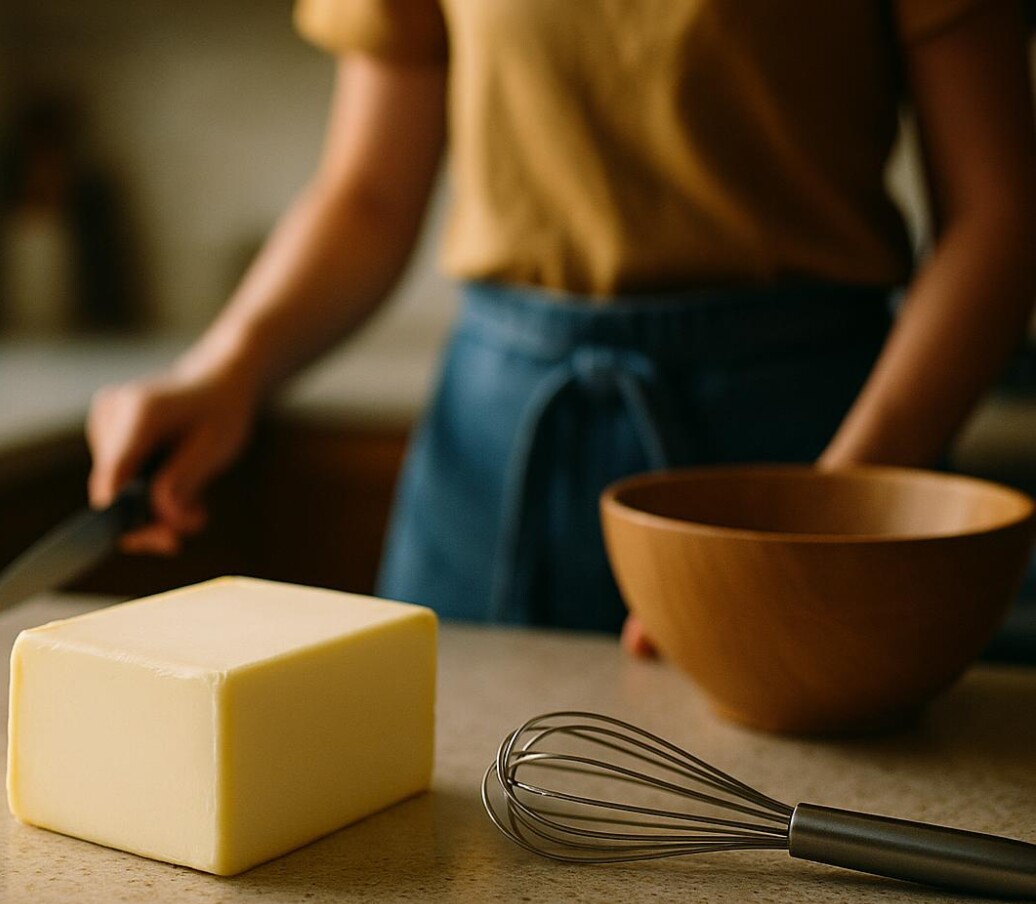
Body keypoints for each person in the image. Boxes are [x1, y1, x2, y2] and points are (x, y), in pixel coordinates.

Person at [84, 0, 1036, 655]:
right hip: (492, 457)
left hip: (803, 455)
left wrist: (848, 507)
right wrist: (227, 367)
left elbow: (1001, 217)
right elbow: (367, 194)